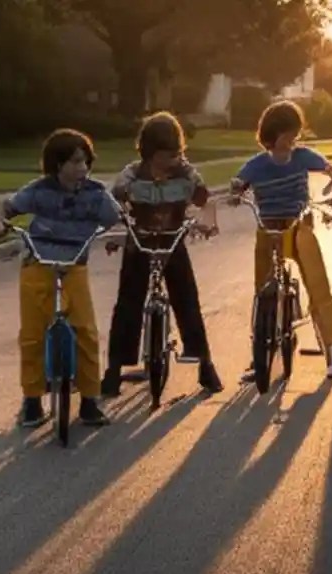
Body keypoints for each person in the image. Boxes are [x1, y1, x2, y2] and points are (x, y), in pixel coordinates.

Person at [0, 128, 121, 427]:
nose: (82, 168)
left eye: (86, 162)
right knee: (32, 334)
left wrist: (121, 236)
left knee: (86, 331)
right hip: (38, 264)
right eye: (74, 162)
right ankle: (32, 399)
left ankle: (89, 401)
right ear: (57, 164)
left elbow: (119, 219)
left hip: (74, 266)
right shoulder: (39, 190)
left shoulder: (97, 194)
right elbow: (8, 207)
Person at [103, 111, 223, 397]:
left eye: (175, 154)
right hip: (140, 243)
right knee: (128, 305)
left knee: (187, 300)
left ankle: (205, 364)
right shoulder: (132, 174)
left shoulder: (186, 173)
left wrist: (206, 221)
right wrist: (113, 233)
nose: (170, 162)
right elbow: (113, 204)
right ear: (148, 152)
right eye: (164, 156)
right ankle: (114, 370)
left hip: (172, 243)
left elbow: (205, 201)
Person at [231, 100, 332, 380]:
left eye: (294, 132)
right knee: (263, 289)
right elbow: (239, 183)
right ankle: (259, 355)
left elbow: (329, 169)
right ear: (272, 134)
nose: (292, 139)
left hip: (299, 225)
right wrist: (235, 191)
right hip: (269, 228)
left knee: (317, 283)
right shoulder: (257, 165)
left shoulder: (302, 156)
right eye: (287, 133)